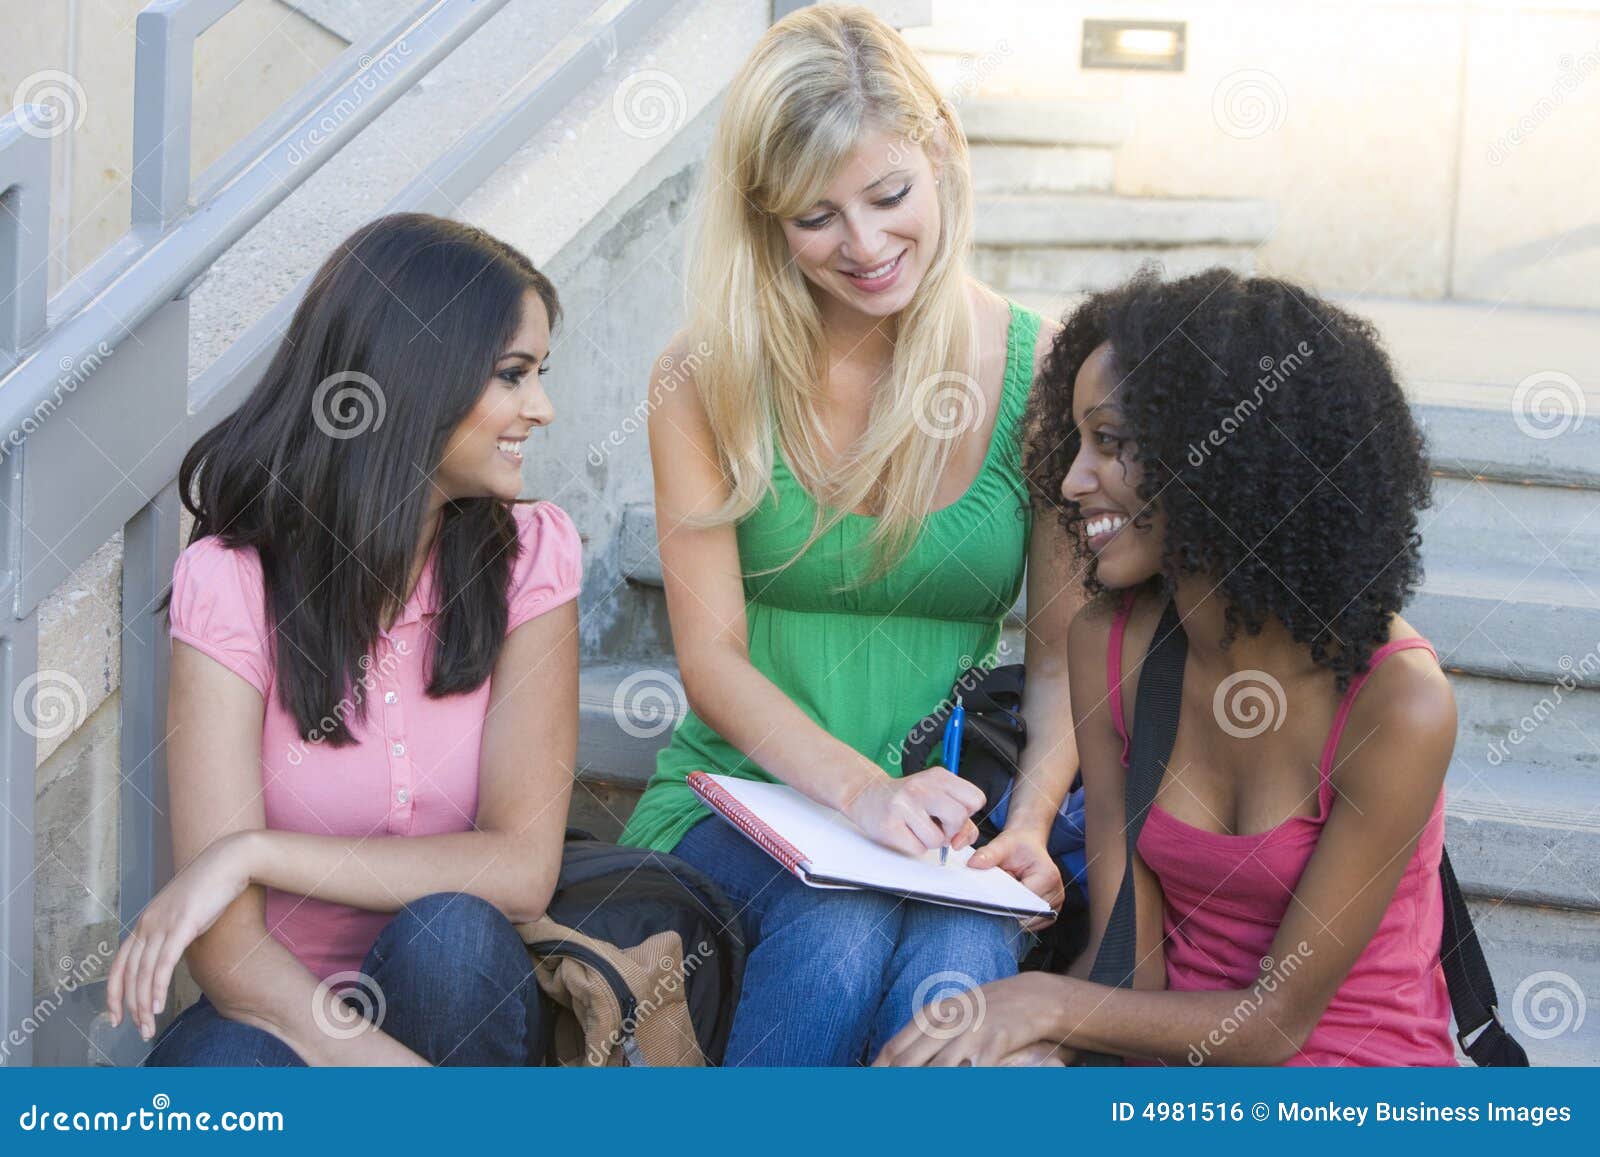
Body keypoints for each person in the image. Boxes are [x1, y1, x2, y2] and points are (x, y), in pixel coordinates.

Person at [617, 5, 1082, 1066]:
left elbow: (1062, 656)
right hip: (739, 798)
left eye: (888, 195)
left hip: (943, 822)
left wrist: (1029, 823)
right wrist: (861, 792)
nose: (866, 247)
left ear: (941, 153)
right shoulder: (701, 375)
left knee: (957, 972)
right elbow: (710, 660)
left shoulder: (1042, 369)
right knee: (836, 932)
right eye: (817, 216)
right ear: (764, 217)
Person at [876, 267, 1459, 1067]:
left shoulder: (1397, 701)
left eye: (1111, 443)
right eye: (1076, 441)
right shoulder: (1110, 644)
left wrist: (1035, 1001)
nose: (1073, 481)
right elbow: (1131, 963)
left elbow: (1275, 1023)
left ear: (1230, 457)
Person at [110, 213, 583, 1066]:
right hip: (278, 1009)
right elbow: (229, 954)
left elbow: (521, 870)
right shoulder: (231, 582)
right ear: (417, 374)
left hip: (456, 999)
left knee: (452, 937)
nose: (541, 408)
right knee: (214, 1075)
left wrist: (254, 852)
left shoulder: (531, 556)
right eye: (513, 374)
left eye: (540, 374)